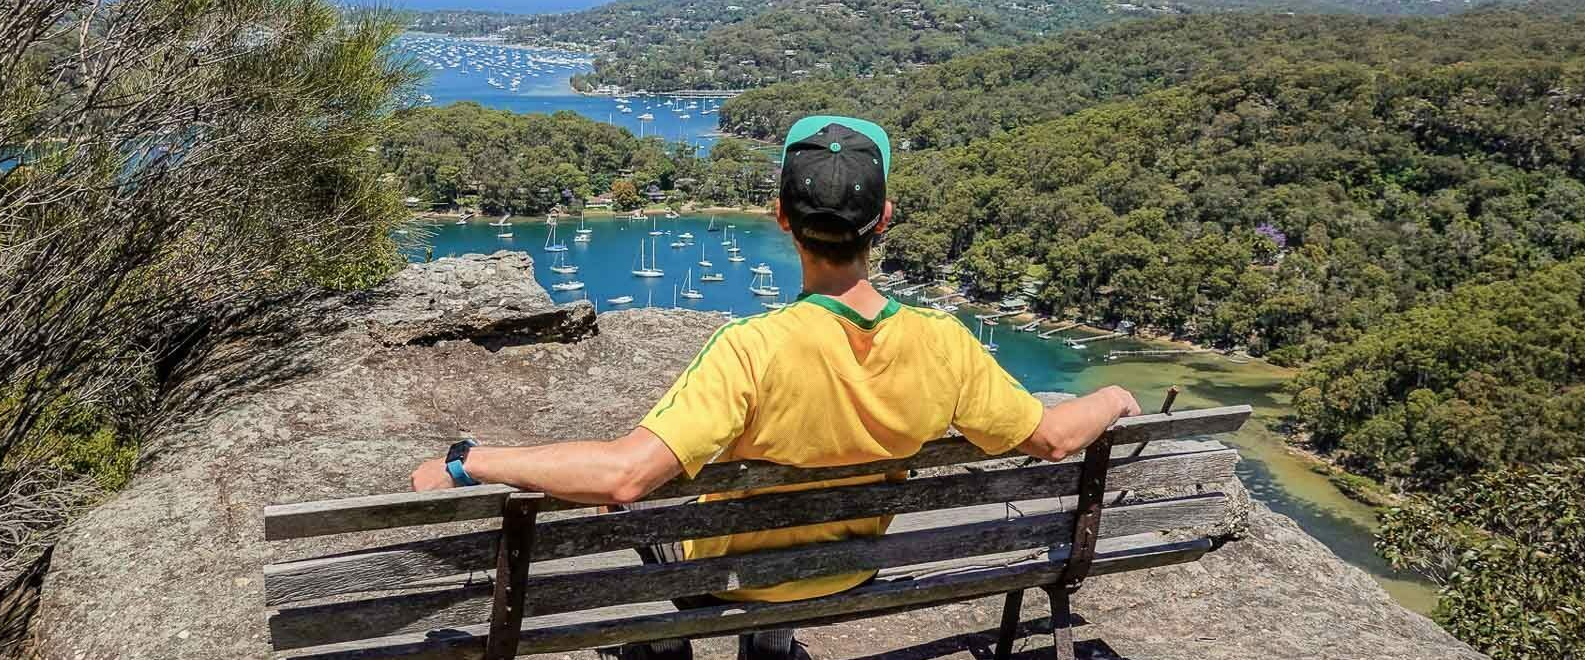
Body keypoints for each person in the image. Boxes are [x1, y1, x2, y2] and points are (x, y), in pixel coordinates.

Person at [411, 116, 1142, 660]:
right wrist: (1110, 398)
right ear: (882, 222)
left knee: (640, 532)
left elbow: (624, 477)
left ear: (783, 219)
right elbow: (1051, 437)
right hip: (848, 571)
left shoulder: (751, 350)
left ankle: (663, 650)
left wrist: (470, 460)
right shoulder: (944, 345)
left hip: (732, 578)